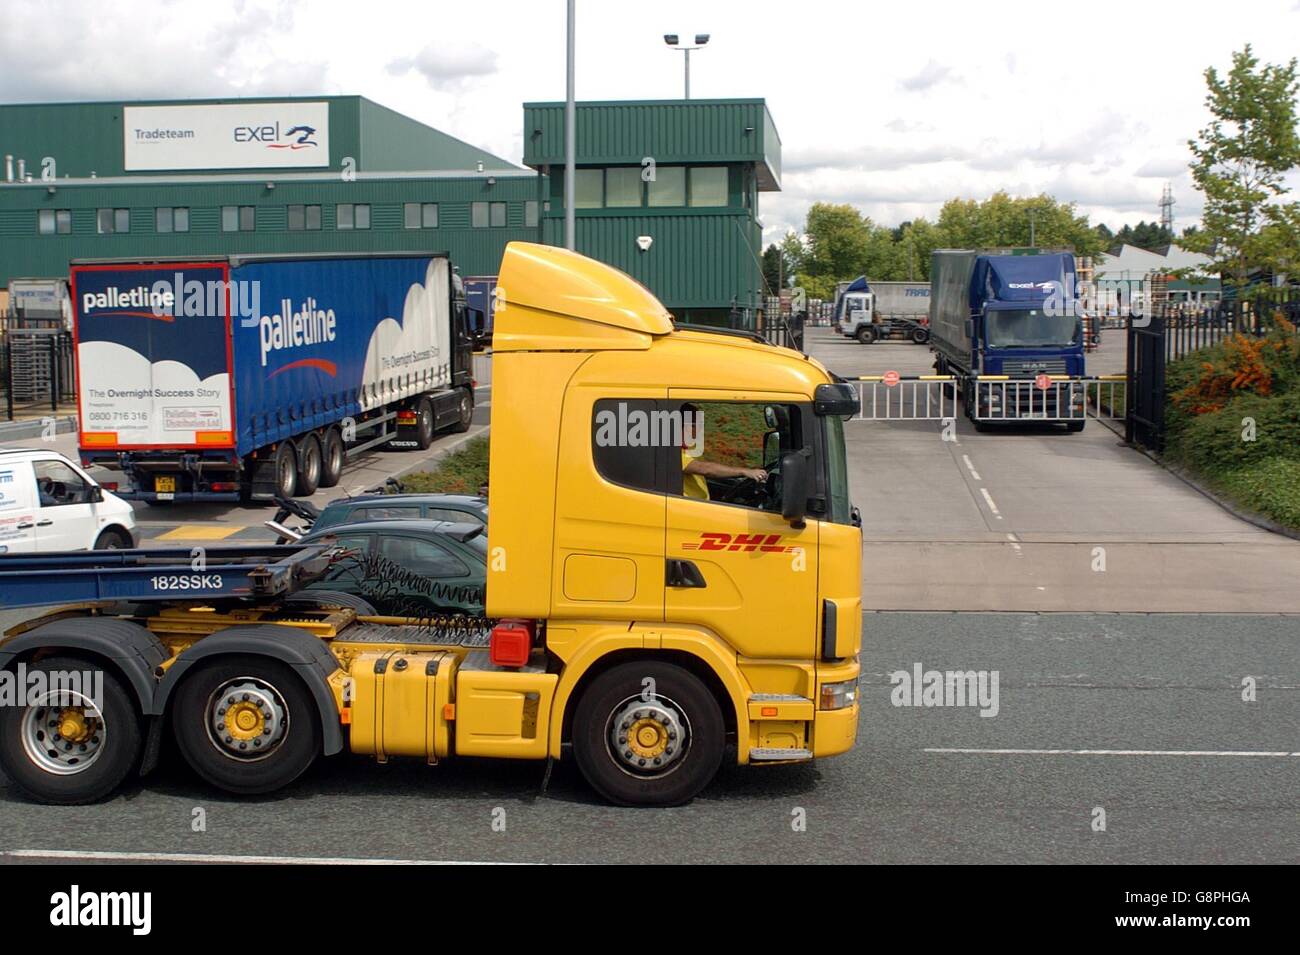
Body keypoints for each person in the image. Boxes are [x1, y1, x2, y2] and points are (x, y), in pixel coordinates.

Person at [679, 403, 767, 501]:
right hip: (687, 508)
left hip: (700, 503)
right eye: (698, 424)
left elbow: (708, 465)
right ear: (687, 427)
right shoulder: (670, 452)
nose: (701, 429)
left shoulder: (690, 445)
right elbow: (705, 468)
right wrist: (744, 471)